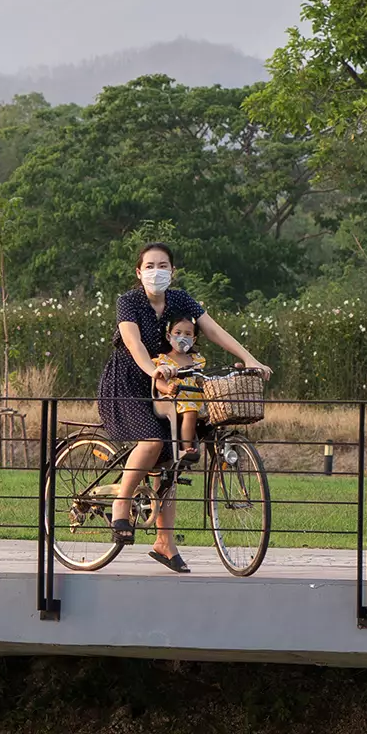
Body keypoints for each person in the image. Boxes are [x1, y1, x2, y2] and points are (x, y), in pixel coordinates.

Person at [97, 241, 271, 573]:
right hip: (130, 384)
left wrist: (248, 358)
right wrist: (154, 370)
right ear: (138, 272)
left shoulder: (180, 299)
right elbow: (132, 344)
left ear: (172, 271)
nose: (156, 272)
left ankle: (165, 543)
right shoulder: (129, 302)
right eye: (149, 266)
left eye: (163, 266)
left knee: (172, 459)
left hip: (171, 383)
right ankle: (121, 505)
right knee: (153, 442)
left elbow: (213, 329)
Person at [153, 317, 207, 462]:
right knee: (190, 411)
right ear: (168, 336)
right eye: (178, 332)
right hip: (172, 399)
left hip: (195, 397)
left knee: (215, 410)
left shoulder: (196, 360)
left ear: (194, 339)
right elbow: (158, 382)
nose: (182, 337)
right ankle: (185, 448)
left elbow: (200, 379)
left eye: (188, 334)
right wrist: (168, 388)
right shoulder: (164, 359)